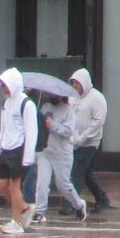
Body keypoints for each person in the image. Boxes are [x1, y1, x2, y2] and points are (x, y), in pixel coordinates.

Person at [28, 93, 86, 225]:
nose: (51, 96)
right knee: (42, 183)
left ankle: (78, 205)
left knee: (63, 185)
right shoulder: (45, 107)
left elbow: (68, 131)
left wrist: (52, 125)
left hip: (62, 154)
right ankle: (39, 211)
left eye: (54, 94)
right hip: (46, 151)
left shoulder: (68, 111)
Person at [0, 67, 38, 234]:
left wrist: (28, 157)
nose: (2, 87)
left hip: (19, 149)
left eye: (5, 84)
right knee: (1, 185)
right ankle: (24, 208)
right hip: (6, 147)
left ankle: (16, 222)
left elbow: (31, 131)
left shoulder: (27, 104)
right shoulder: (6, 103)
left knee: (15, 186)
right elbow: (3, 127)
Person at [68, 68, 113, 211]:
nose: (75, 86)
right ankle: (102, 198)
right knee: (85, 172)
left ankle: (72, 204)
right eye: (73, 83)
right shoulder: (72, 97)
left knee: (77, 170)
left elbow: (98, 122)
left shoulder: (97, 98)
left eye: (77, 83)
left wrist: (83, 137)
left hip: (90, 142)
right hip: (74, 141)